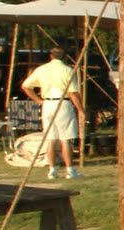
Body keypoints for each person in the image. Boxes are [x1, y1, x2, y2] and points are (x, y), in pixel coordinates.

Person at [21, 46, 84, 178]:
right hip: (63, 102)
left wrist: (38, 100)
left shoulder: (42, 69)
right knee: (65, 139)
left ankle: (52, 170)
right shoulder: (67, 70)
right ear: (65, 57)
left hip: (48, 103)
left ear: (51, 56)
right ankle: (70, 170)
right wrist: (81, 110)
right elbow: (73, 93)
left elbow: (26, 86)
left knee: (51, 138)